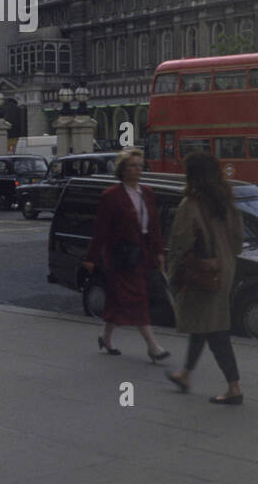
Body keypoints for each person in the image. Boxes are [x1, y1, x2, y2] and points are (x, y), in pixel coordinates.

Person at [165, 151, 246, 404]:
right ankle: (185, 374)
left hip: (204, 272)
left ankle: (234, 387)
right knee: (205, 322)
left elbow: (181, 241)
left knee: (215, 330)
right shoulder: (226, 200)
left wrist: (173, 271)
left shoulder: (191, 204)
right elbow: (238, 240)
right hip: (225, 267)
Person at [82, 148, 170, 362]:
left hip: (142, 254)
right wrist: (91, 257)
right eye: (133, 165)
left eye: (140, 165)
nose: (138, 169)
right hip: (121, 256)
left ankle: (105, 336)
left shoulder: (147, 192)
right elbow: (100, 230)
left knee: (118, 300)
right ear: (122, 169)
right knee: (137, 298)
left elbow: (154, 225)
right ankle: (152, 346)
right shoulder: (111, 196)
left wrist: (158, 251)